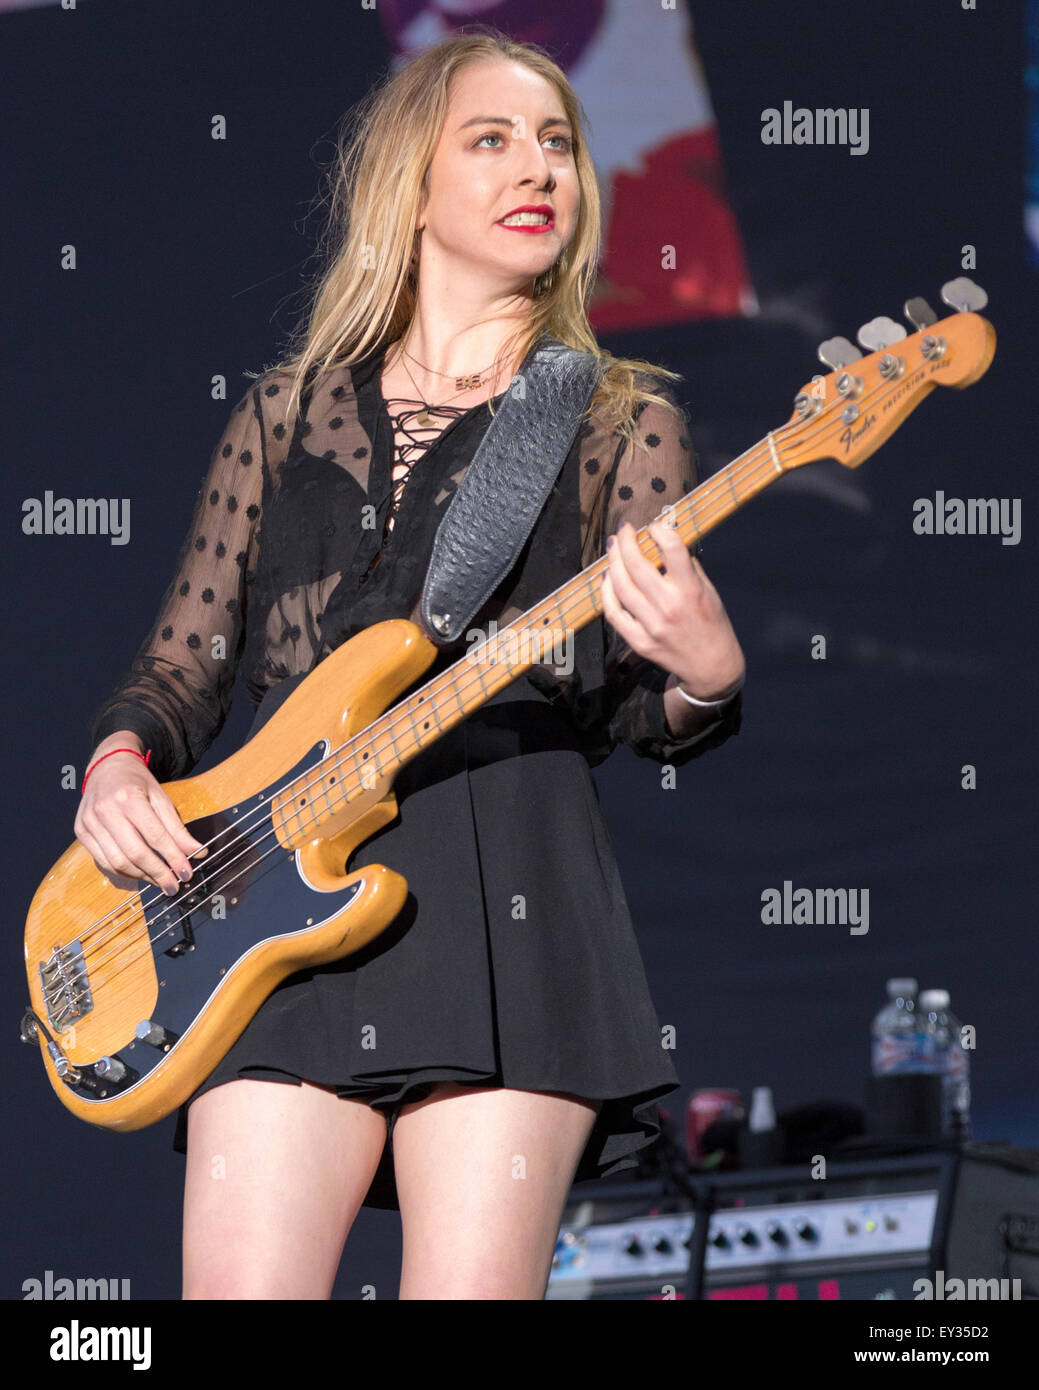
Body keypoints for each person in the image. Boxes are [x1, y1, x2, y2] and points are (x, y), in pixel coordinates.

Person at [75, 29, 745, 1300]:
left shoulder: (613, 419)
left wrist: (702, 673)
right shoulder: (285, 416)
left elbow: (630, 713)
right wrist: (117, 763)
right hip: (270, 914)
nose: (537, 165)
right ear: (412, 189)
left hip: (510, 911)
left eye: (557, 142)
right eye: (490, 139)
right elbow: (185, 666)